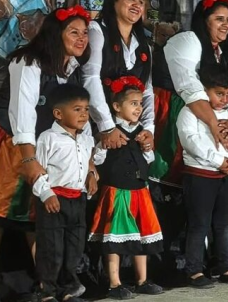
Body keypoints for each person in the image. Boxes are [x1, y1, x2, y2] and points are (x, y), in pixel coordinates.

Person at [0, 6, 91, 302]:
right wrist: (29, 159)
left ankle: (49, 283)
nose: (81, 38)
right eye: (74, 32)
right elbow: (22, 111)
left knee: (40, 214)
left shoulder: (73, 69)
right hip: (8, 140)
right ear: (56, 34)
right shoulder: (28, 61)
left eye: (84, 33)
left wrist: (89, 161)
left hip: (45, 145)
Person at [88, 76, 163, 300]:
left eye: (140, 103)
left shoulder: (142, 131)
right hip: (117, 191)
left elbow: (148, 160)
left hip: (140, 191)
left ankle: (142, 279)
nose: (138, 108)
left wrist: (146, 147)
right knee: (115, 238)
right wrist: (103, 143)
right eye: (133, 103)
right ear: (117, 106)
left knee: (142, 235)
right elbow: (98, 160)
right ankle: (114, 282)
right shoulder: (109, 133)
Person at [158, 0, 228, 184]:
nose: (226, 25)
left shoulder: (223, 52)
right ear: (205, 21)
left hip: (212, 116)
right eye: (219, 19)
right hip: (179, 111)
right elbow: (190, 88)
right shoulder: (187, 41)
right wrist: (216, 126)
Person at [177, 67, 228, 287]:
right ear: (204, 91)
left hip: (225, 175)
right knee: (199, 224)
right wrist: (217, 160)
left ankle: (226, 267)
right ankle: (194, 270)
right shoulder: (189, 112)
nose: (225, 99)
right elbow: (190, 141)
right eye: (219, 93)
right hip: (200, 174)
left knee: (223, 224)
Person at [32, 84, 97, 302]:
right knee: (52, 248)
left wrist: (91, 176)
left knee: (74, 247)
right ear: (58, 113)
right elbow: (37, 170)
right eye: (77, 109)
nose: (84, 114)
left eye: (86, 109)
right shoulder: (48, 138)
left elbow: (89, 162)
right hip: (54, 200)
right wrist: (46, 194)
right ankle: (47, 291)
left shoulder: (87, 139)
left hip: (77, 199)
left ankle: (69, 289)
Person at [81, 0, 154, 158]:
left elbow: (147, 90)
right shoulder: (97, 31)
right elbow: (90, 78)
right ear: (114, 2)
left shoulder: (144, 44)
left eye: (141, 1)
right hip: (96, 126)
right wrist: (107, 126)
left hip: (131, 130)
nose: (137, 5)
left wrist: (148, 128)